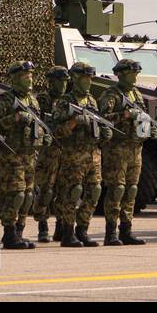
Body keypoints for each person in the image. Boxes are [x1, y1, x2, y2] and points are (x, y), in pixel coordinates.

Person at [0, 61, 49, 249]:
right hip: (12, 156)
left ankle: (19, 232)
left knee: (29, 195)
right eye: (25, 76)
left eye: (31, 75)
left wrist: (44, 135)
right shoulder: (5, 100)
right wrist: (15, 118)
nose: (29, 79)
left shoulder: (32, 100)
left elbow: (37, 123)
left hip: (30, 154)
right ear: (14, 79)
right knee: (15, 194)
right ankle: (9, 233)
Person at [98, 58, 156, 245]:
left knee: (131, 190)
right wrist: (124, 115)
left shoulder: (137, 95)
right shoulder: (111, 95)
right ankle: (110, 232)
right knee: (117, 189)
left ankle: (126, 229)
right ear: (122, 74)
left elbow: (143, 116)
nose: (135, 76)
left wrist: (148, 128)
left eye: (136, 73)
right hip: (117, 149)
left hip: (135, 149)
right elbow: (102, 119)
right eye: (132, 73)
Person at [51, 62, 104, 247]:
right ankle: (67, 232)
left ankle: (82, 229)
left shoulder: (92, 101)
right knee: (72, 193)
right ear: (75, 78)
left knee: (95, 191)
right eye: (85, 78)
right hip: (73, 155)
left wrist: (103, 132)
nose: (88, 82)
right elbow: (55, 131)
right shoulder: (65, 102)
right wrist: (74, 122)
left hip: (92, 154)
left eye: (90, 78)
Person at [32, 66, 68, 242]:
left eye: (65, 81)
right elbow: (35, 122)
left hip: (65, 150)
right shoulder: (42, 100)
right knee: (46, 189)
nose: (62, 85)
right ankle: (42, 224)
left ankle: (61, 224)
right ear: (51, 82)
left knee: (64, 189)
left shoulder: (68, 101)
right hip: (48, 151)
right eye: (59, 81)